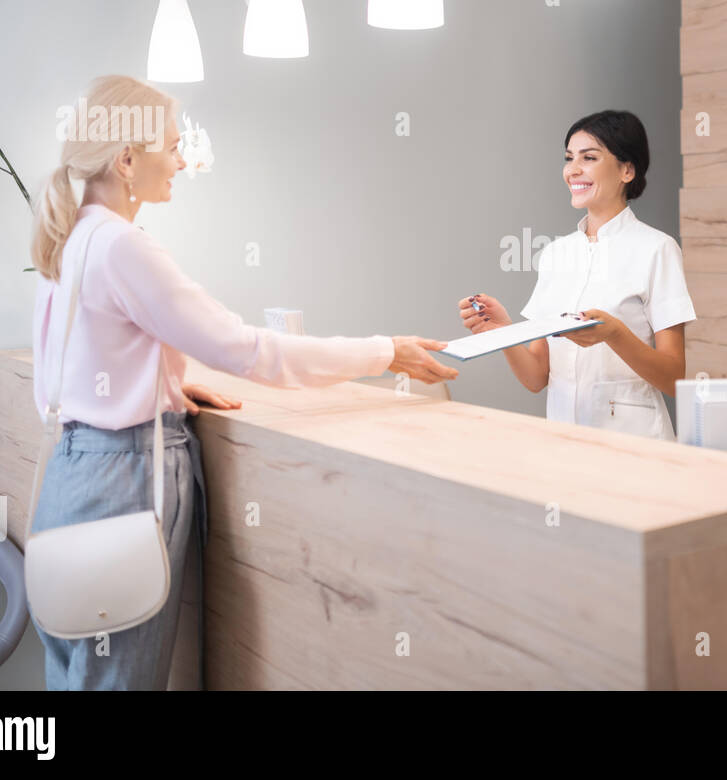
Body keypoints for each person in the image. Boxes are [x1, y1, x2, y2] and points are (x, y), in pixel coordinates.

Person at [28, 74, 456, 690]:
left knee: (78, 675)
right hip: (122, 480)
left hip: (74, 477)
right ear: (127, 160)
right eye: (170, 147)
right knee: (118, 680)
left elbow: (64, 373)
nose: (180, 160)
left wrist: (165, 386)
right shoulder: (124, 246)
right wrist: (384, 352)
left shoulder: (69, 237)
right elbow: (248, 350)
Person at [458, 110, 695, 440]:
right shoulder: (555, 254)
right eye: (570, 158)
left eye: (590, 157)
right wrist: (503, 332)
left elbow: (675, 378)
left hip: (635, 442)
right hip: (564, 442)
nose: (573, 170)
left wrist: (614, 334)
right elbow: (537, 378)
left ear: (627, 170)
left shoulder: (657, 249)